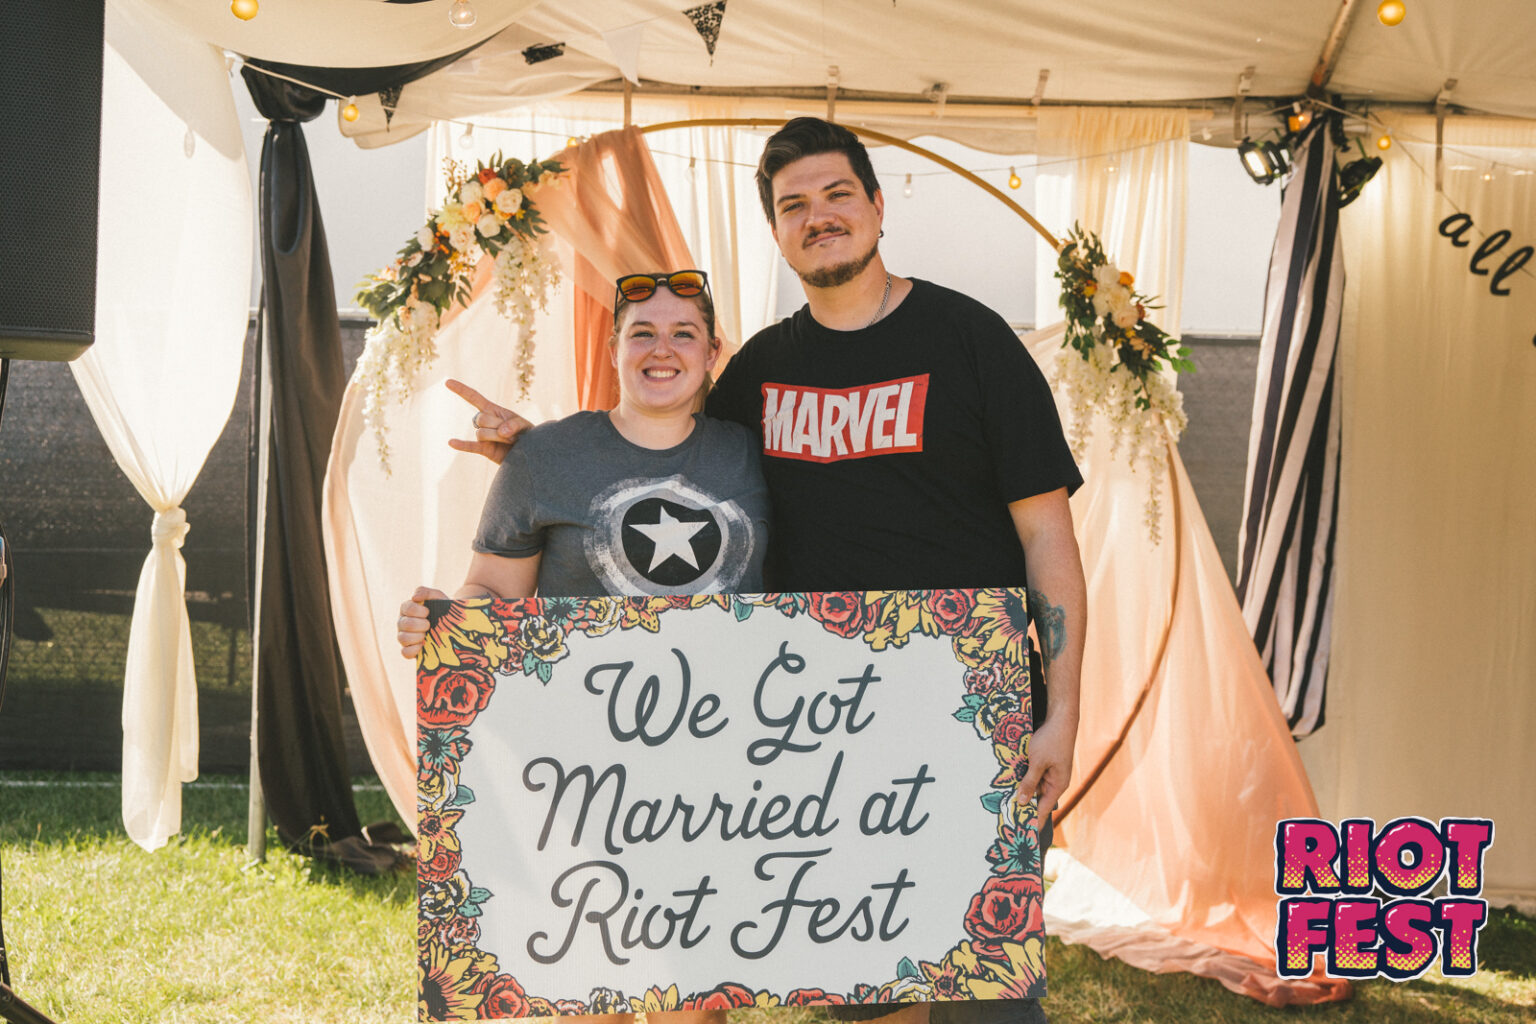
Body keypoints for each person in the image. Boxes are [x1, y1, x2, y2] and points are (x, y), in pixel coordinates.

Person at [451, 118, 1086, 1024]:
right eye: (793, 205)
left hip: (968, 707)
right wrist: (540, 453)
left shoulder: (971, 341)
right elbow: (664, 445)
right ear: (776, 229)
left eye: (836, 196)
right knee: (863, 987)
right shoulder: (758, 371)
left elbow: (1050, 540)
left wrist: (1061, 709)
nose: (818, 217)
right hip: (816, 730)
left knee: (984, 990)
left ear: (875, 205)